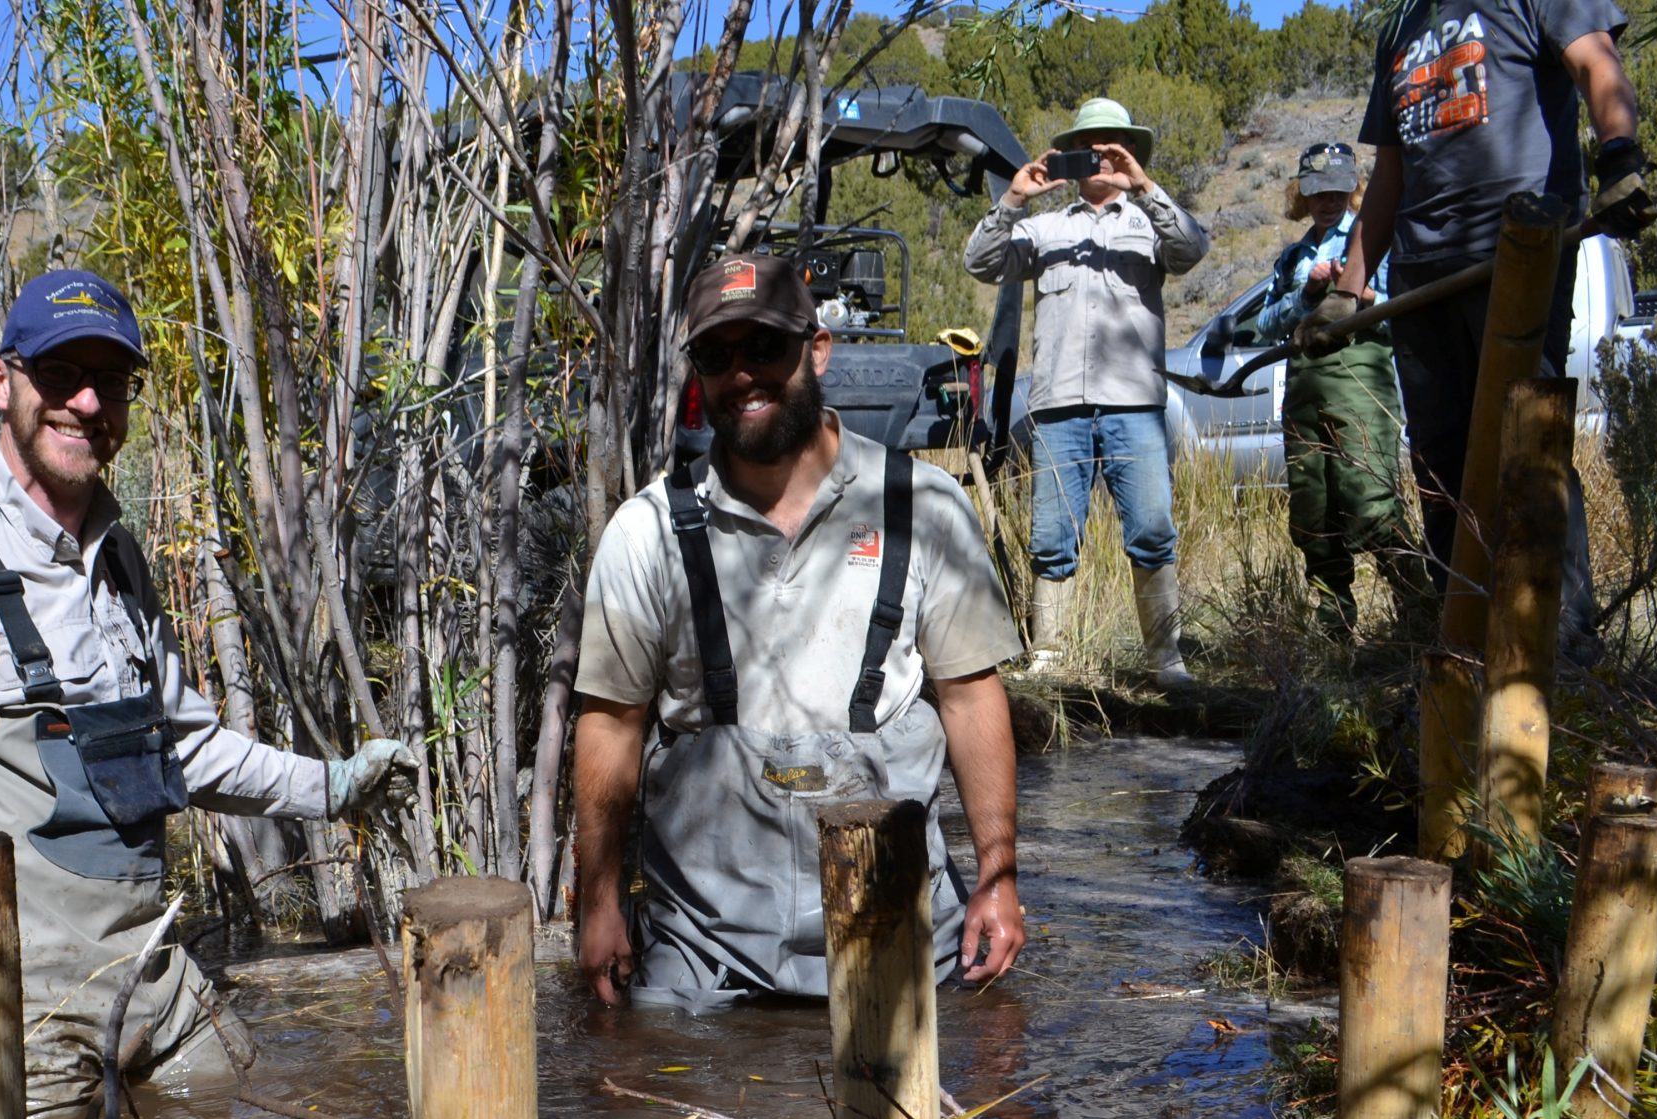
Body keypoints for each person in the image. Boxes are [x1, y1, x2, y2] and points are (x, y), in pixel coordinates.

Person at [0, 269, 412, 1104]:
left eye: (109, 381)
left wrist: (335, 786)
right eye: (60, 374)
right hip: (10, 1001)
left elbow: (188, 748)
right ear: (3, 381)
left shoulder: (122, 559)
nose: (87, 403)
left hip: (149, 972)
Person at [572, 253, 1026, 1009]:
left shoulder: (926, 507)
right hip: (704, 946)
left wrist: (998, 877)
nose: (742, 372)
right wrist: (598, 901)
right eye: (718, 355)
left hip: (901, 926)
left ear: (817, 349)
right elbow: (611, 725)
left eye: (765, 348)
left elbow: (972, 697)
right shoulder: (644, 533)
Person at [1329, 0, 1650, 639]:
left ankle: (1558, 648)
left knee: (1526, 447)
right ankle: (1465, 646)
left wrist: (1619, 154)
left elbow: (1597, 63)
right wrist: (1347, 289)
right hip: (1422, 275)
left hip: (1519, 250)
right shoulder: (1399, 26)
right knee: (1442, 466)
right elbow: (1389, 173)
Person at [963, 96, 1212, 686]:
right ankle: (1050, 655)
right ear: (1071, 155)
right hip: (1058, 407)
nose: (1099, 157)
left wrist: (1145, 186)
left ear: (1129, 155)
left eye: (1111, 147)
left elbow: (1192, 250)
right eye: (1088, 148)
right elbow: (979, 262)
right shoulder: (1044, 227)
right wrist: (1015, 197)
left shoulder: (1149, 220)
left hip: (1135, 406)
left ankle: (1164, 658)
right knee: (1052, 537)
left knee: (1151, 531)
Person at [1258, 142, 1425, 642]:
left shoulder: (1376, 239)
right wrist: (1306, 293)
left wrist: (1361, 293)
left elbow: (1407, 313)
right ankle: (1334, 632)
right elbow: (1266, 324)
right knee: (1313, 512)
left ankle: (1419, 620)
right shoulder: (1292, 258)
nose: (1328, 200)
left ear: (1354, 189)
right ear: (1301, 197)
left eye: (1337, 189)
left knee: (1371, 503)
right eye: (1317, 192)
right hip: (1304, 392)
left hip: (1360, 386)